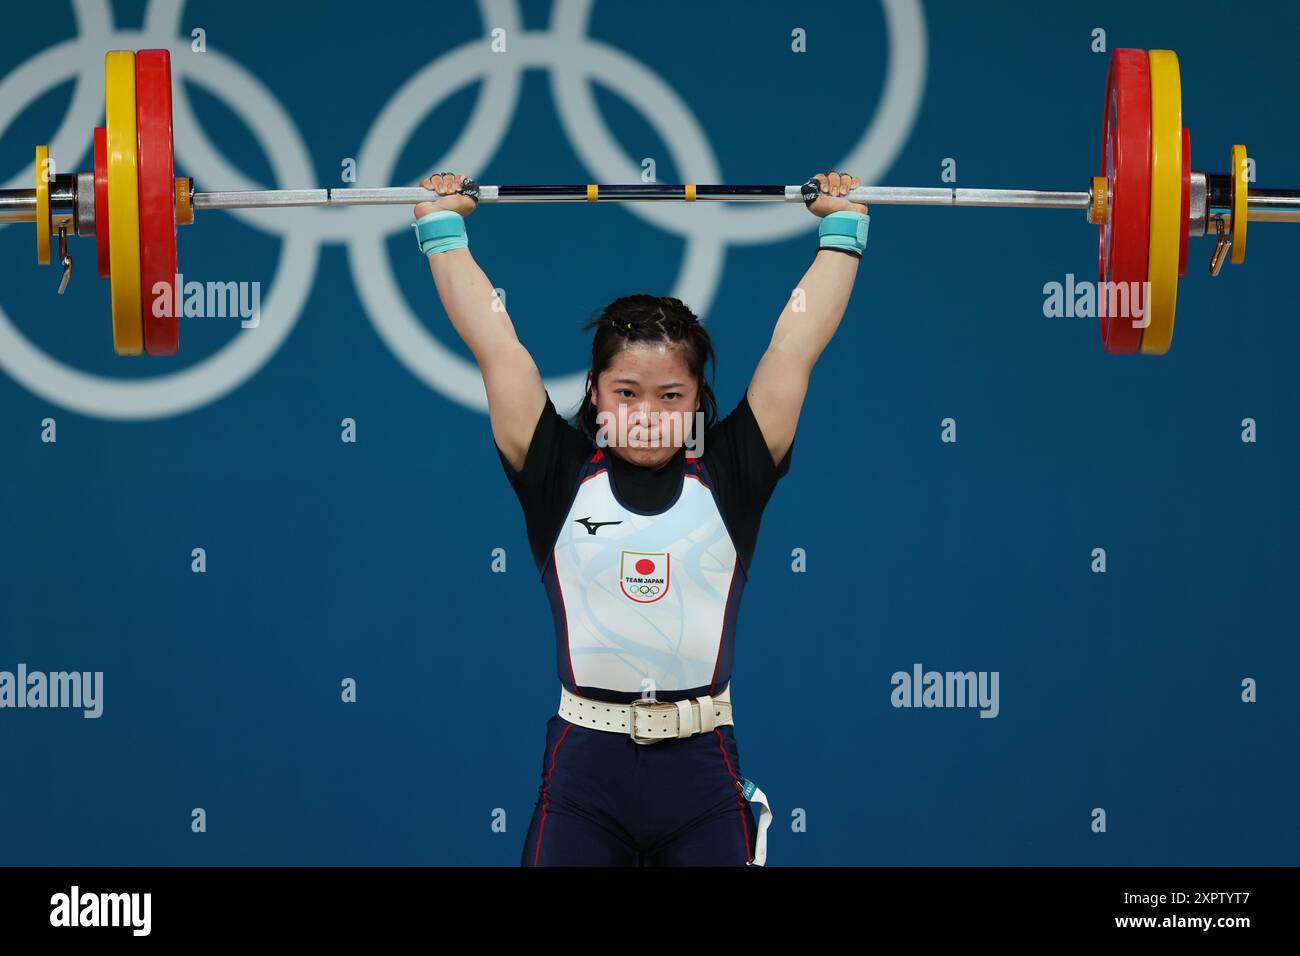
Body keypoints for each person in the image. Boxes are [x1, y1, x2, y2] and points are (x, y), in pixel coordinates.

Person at [412, 170, 867, 866]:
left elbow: (794, 348)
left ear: (696, 400)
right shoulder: (554, 469)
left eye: (669, 394)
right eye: (626, 391)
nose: (647, 415)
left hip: (703, 780)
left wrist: (841, 232)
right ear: (594, 391)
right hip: (583, 780)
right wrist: (443, 229)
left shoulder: (733, 471)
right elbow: (494, 342)